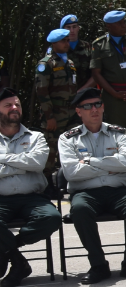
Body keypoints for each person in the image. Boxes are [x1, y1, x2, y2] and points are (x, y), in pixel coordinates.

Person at [58, 88, 126, 284]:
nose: (94, 109)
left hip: (119, 191)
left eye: (98, 104)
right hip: (85, 192)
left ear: (103, 107)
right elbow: (71, 172)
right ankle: (98, 265)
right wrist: (110, 166)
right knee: (80, 209)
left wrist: (89, 161)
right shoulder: (67, 138)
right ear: (78, 111)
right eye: (88, 106)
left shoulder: (120, 133)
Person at [0, 88, 60, 287]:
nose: (15, 108)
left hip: (33, 197)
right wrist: (21, 164)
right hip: (2, 199)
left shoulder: (35, 137)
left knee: (51, 218)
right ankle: (18, 262)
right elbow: (29, 163)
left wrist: (3, 160)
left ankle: (6, 251)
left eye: (17, 104)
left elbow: (37, 163)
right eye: (8, 105)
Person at [89, 10, 126, 146]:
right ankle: (119, 165)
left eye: (124, 22)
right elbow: (96, 73)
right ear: (109, 26)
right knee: (115, 133)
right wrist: (114, 93)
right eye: (119, 23)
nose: (124, 26)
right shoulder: (99, 45)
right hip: (113, 97)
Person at [35, 28, 80, 177]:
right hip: (55, 112)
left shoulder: (70, 62)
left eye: (68, 40)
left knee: (73, 145)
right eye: (63, 41)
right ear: (54, 43)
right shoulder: (46, 64)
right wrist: (49, 116)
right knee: (50, 149)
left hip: (72, 112)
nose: (67, 43)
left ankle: (68, 179)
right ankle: (47, 183)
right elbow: (42, 91)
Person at [60, 14, 95, 90]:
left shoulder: (88, 47)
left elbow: (96, 74)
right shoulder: (57, 48)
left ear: (78, 28)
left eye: (74, 27)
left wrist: (81, 92)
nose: (72, 31)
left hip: (85, 93)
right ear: (62, 29)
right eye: (68, 27)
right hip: (63, 95)